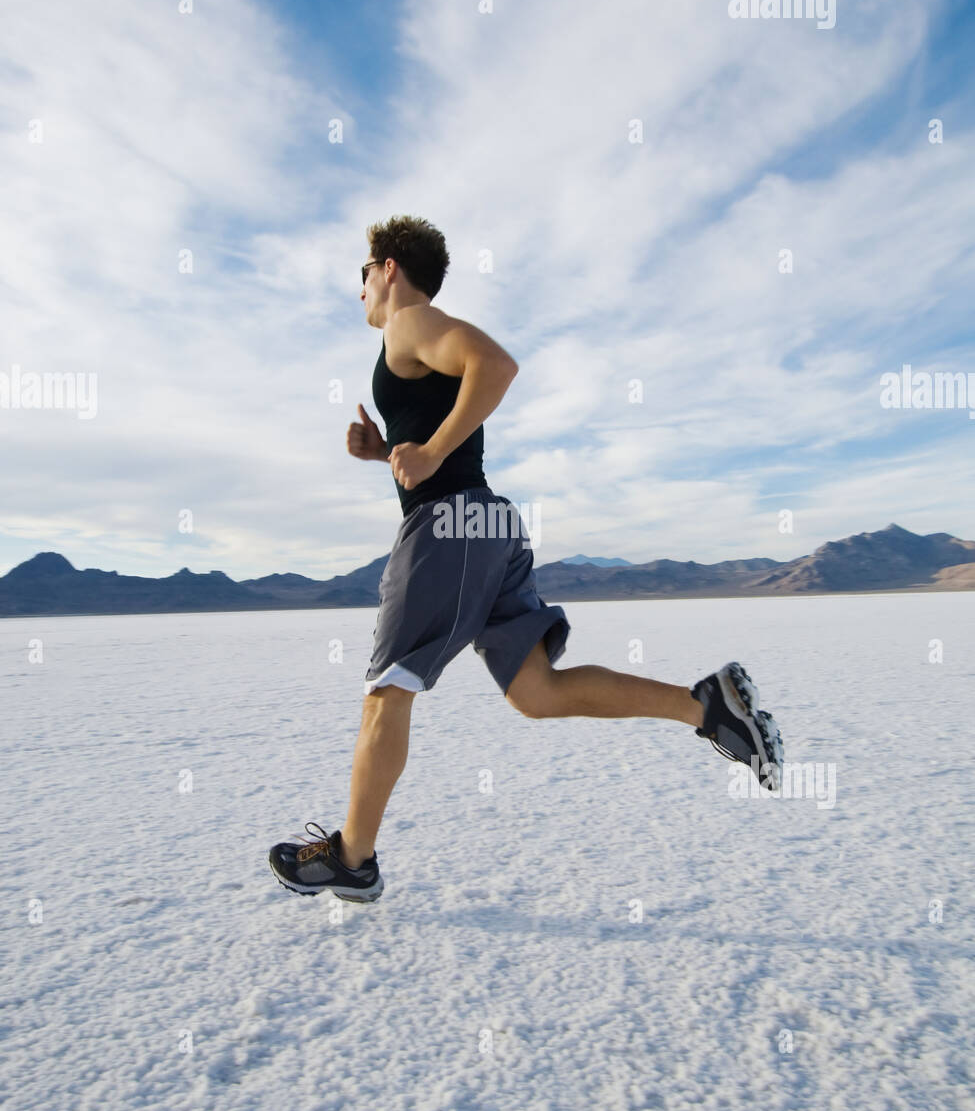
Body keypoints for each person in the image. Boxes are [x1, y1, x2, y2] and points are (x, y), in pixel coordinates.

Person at [269, 216, 784, 903]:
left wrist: (427, 453)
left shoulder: (410, 321)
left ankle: (352, 859)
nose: (358, 290)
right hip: (483, 523)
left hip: (449, 528)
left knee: (387, 690)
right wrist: (388, 453)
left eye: (360, 275)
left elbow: (496, 366)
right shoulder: (412, 339)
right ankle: (707, 709)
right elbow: (442, 433)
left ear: (388, 268)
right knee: (536, 691)